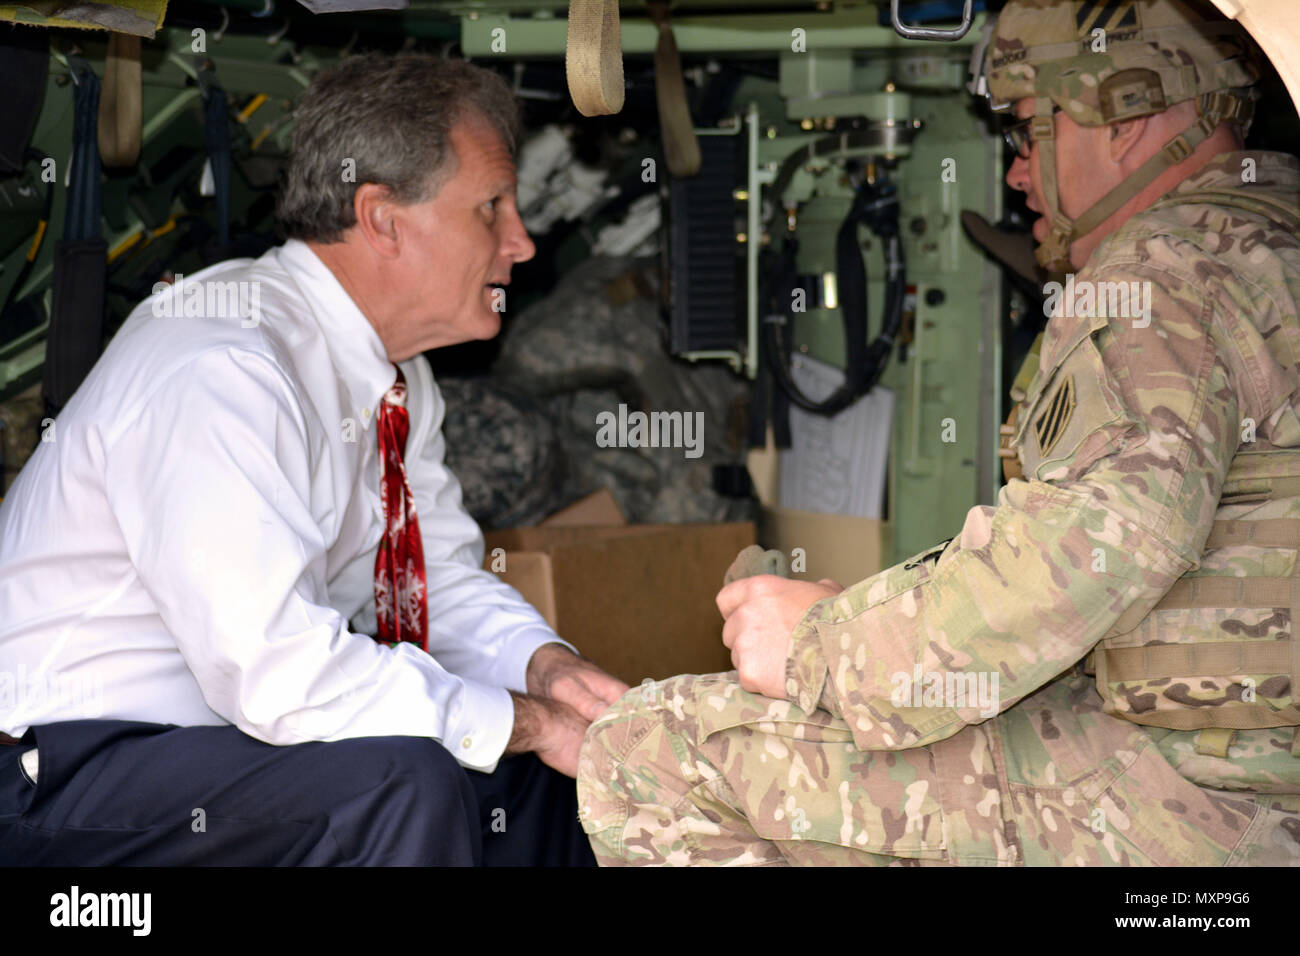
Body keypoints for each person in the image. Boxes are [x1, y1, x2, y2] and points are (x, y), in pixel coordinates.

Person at [577, 0, 1300, 866]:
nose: (1020, 173)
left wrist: (823, 648)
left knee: (647, 750)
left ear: (1130, 122)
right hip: (1246, 772)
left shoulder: (1165, 272)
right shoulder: (1268, 239)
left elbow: (1105, 540)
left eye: (1033, 130)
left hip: (1197, 807)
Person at [0, 52, 628, 866]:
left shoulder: (394, 376)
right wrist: (521, 722)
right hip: (60, 773)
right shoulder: (225, 364)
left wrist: (544, 674)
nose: (522, 243)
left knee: (535, 778)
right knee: (405, 781)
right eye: (490, 208)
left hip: (210, 748)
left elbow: (430, 579)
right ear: (382, 218)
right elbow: (275, 672)